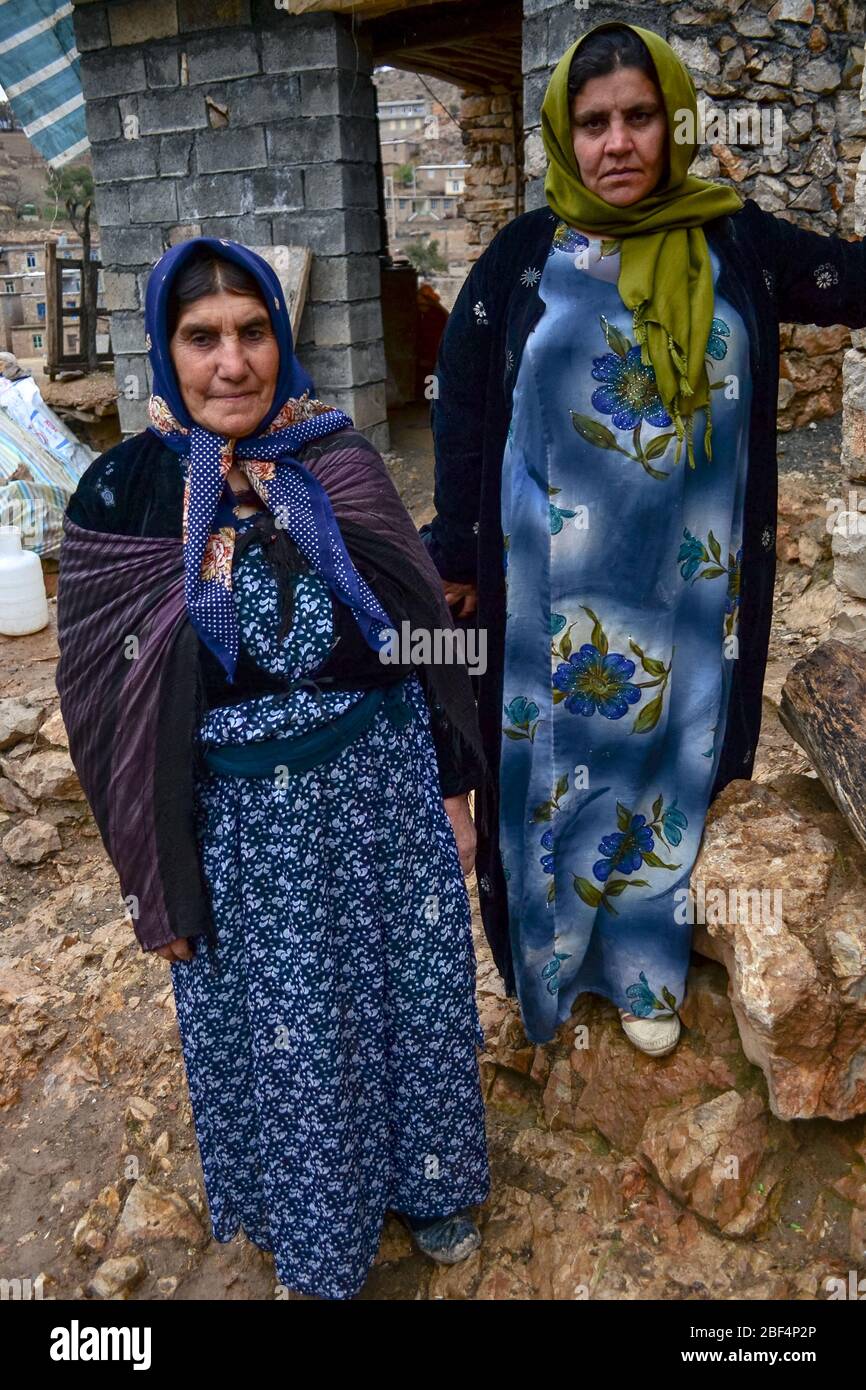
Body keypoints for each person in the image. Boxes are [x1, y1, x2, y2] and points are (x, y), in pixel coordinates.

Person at [55, 237, 491, 1300]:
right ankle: (320, 1238)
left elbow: (420, 629)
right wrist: (150, 867)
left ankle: (433, 1183)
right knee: (292, 1041)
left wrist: (450, 784)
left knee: (412, 995)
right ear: (164, 351)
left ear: (280, 340)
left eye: (252, 332)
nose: (232, 362)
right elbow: (101, 705)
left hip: (378, 795)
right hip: (240, 833)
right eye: (200, 338)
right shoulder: (124, 496)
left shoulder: (339, 461)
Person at [423, 20, 866, 1057]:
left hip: (683, 600)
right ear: (561, 137)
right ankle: (556, 971)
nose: (614, 143)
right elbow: (461, 415)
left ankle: (643, 969)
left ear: (671, 124)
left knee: (666, 772)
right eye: (590, 124)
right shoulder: (520, 261)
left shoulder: (731, 240)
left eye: (635, 118)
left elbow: (846, 282)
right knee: (555, 778)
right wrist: (452, 556)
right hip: (548, 600)